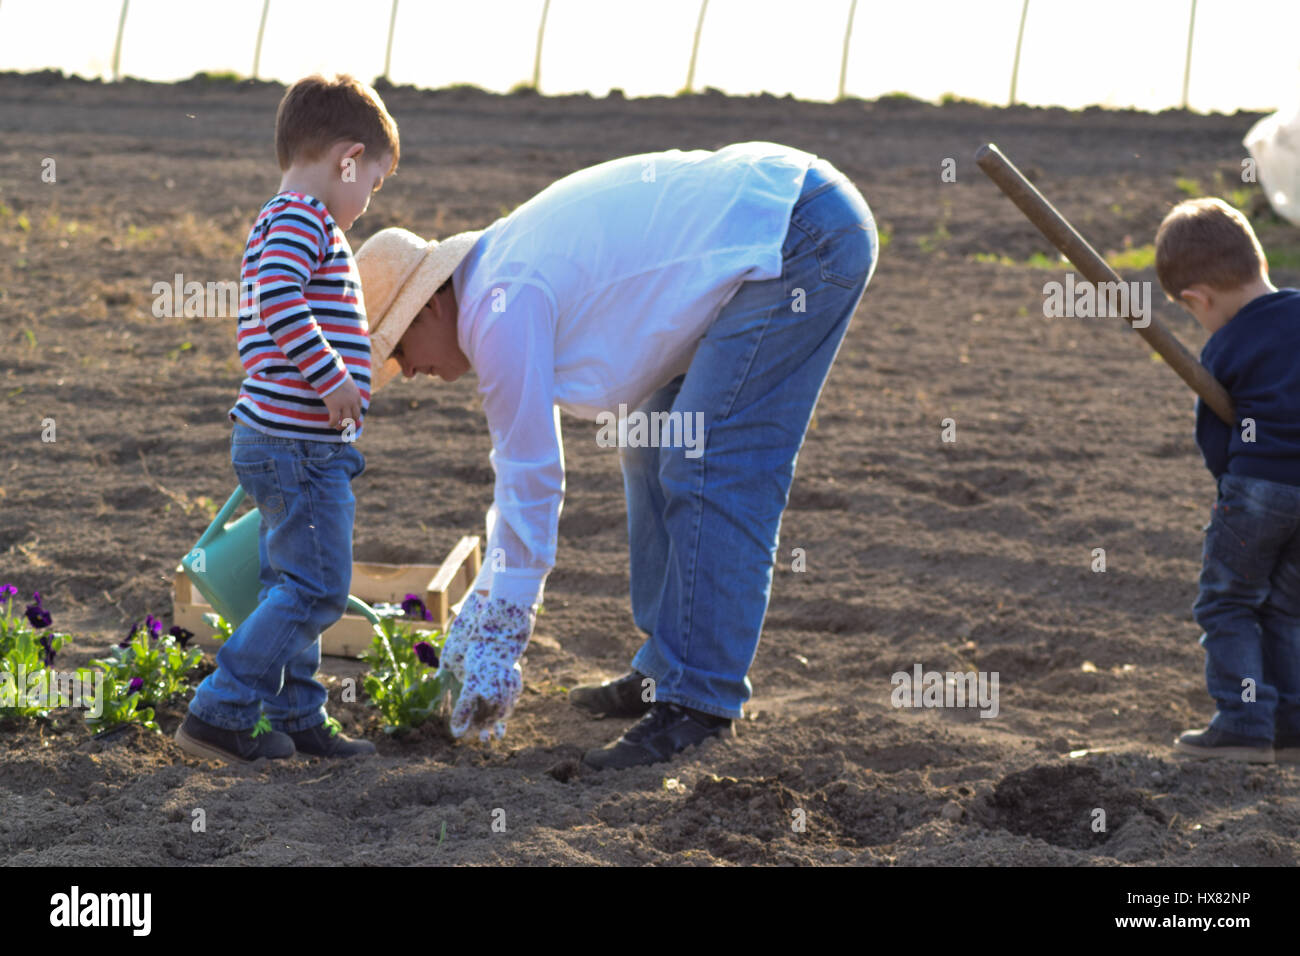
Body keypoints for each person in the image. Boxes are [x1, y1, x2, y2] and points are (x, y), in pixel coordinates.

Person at [356, 141, 876, 770]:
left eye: (400, 352)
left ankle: (699, 701)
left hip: (798, 234)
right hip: (775, 221)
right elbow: (520, 473)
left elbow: (530, 475)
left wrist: (505, 618)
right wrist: (492, 595)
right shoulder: (494, 285)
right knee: (651, 442)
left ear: (431, 305)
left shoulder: (497, 305)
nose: (407, 373)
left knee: (707, 459)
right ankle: (667, 670)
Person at [176, 74, 398, 764]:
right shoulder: (305, 218)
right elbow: (278, 296)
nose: (368, 201)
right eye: (375, 183)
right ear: (347, 158)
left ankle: (295, 713)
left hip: (284, 442)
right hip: (298, 445)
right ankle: (221, 709)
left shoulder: (282, 218)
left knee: (289, 582)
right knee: (318, 587)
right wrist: (333, 376)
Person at [1158, 197, 1300, 763]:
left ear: (1198, 298)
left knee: (1229, 601)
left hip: (1258, 491)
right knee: (1287, 608)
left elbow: (1214, 438)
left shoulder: (1225, 344)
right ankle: (1291, 725)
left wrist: (1229, 493)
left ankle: (1243, 721)